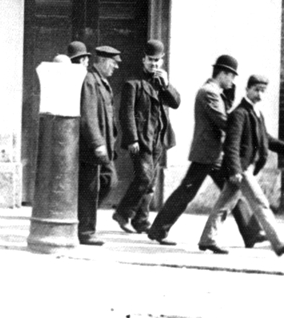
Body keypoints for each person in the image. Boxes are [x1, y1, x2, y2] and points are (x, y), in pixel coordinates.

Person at [146, 55, 262, 246]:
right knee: (188, 192)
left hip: (213, 153)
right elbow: (223, 120)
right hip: (207, 153)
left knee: (231, 190)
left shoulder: (217, 92)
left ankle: (251, 233)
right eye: (231, 76)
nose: (233, 81)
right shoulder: (209, 92)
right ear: (223, 74)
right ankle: (158, 230)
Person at [197, 74, 284, 255]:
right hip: (241, 168)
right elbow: (231, 144)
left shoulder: (255, 112)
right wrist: (236, 169)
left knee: (224, 204)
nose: (260, 95)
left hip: (246, 167)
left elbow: (265, 139)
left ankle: (207, 239)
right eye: (256, 90)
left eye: (263, 91)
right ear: (247, 89)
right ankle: (278, 244)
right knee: (261, 202)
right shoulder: (239, 114)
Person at [112, 39, 181, 234]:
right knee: (144, 177)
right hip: (141, 140)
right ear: (143, 59)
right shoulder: (132, 83)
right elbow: (126, 114)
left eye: (158, 60)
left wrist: (166, 84)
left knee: (150, 183)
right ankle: (123, 213)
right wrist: (132, 138)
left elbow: (176, 103)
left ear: (163, 60)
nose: (154, 64)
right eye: (151, 60)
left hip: (158, 139)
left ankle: (141, 221)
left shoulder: (161, 82)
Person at [78, 45, 120, 245]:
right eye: (112, 63)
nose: (115, 68)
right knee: (90, 188)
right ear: (102, 61)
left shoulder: (101, 81)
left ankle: (82, 219)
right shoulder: (90, 81)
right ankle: (85, 231)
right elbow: (88, 116)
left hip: (104, 146)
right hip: (93, 147)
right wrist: (97, 143)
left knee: (108, 180)